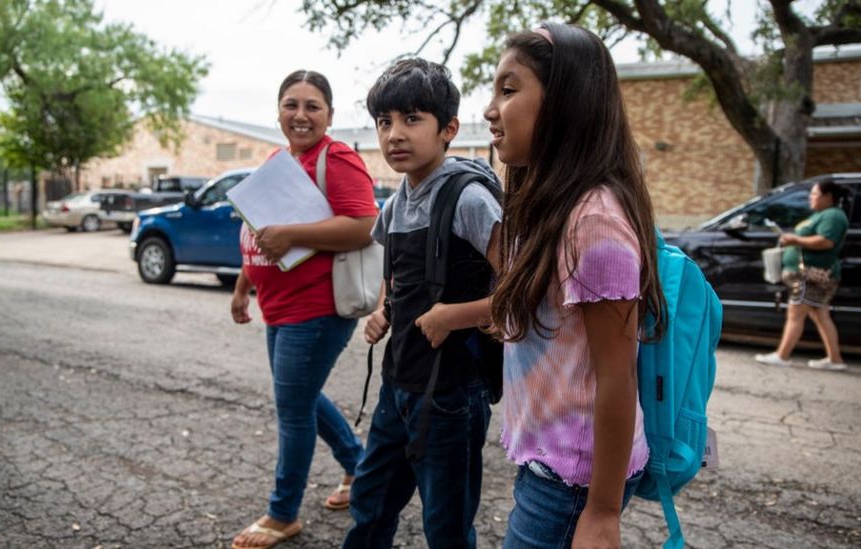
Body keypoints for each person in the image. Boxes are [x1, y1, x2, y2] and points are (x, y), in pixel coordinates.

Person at [484, 23, 666, 549]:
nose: (491, 109)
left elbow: (617, 374)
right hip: (552, 465)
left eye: (509, 89)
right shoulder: (552, 208)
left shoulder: (594, 221)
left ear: (566, 102)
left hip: (573, 481)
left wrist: (603, 513)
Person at [343, 58, 503, 549]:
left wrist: (457, 316)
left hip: (453, 392)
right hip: (398, 383)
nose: (395, 134)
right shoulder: (393, 203)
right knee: (370, 502)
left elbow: (525, 290)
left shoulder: (470, 199)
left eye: (412, 119)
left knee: (446, 525)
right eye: (385, 122)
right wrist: (383, 312)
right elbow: (401, 281)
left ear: (448, 128)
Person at [229, 69, 378, 549]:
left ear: (329, 115)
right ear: (278, 112)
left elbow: (363, 226)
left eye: (312, 106)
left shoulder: (337, 159)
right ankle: (360, 469)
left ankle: (282, 514)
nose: (301, 114)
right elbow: (259, 231)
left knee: (292, 410)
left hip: (316, 311)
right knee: (304, 400)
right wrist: (242, 287)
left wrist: (294, 235)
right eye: (291, 104)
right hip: (278, 306)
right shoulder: (279, 160)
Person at [754, 181, 850, 370]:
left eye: (814, 194)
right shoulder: (823, 215)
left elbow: (825, 241)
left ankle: (782, 355)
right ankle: (835, 359)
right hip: (814, 274)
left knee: (795, 313)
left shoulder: (833, 216)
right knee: (820, 315)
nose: (810, 198)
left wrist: (795, 239)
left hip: (813, 274)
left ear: (828, 197)